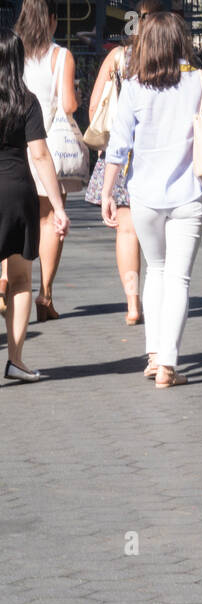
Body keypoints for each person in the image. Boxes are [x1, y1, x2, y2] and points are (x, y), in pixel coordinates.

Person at [102, 12, 202, 389]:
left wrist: (108, 193)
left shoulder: (135, 86)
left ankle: (154, 354)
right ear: (180, 41)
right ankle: (169, 365)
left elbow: (117, 146)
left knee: (155, 270)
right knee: (179, 277)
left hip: (143, 195)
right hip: (190, 193)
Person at [84, 0, 164, 325]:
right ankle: (160, 296)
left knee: (127, 232)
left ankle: (133, 302)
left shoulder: (118, 58)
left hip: (122, 155)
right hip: (160, 154)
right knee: (161, 232)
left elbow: (94, 110)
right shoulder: (170, 59)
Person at [0, 27, 69, 380]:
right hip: (16, 193)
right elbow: (40, 155)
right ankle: (16, 361)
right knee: (21, 281)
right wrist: (57, 206)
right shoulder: (26, 101)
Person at [14, 0, 78, 322]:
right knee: (51, 216)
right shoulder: (60, 56)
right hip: (47, 146)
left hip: (12, 147)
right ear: (52, 20)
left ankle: (4, 283)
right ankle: (45, 295)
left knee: (14, 218)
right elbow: (67, 106)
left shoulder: (10, 52)